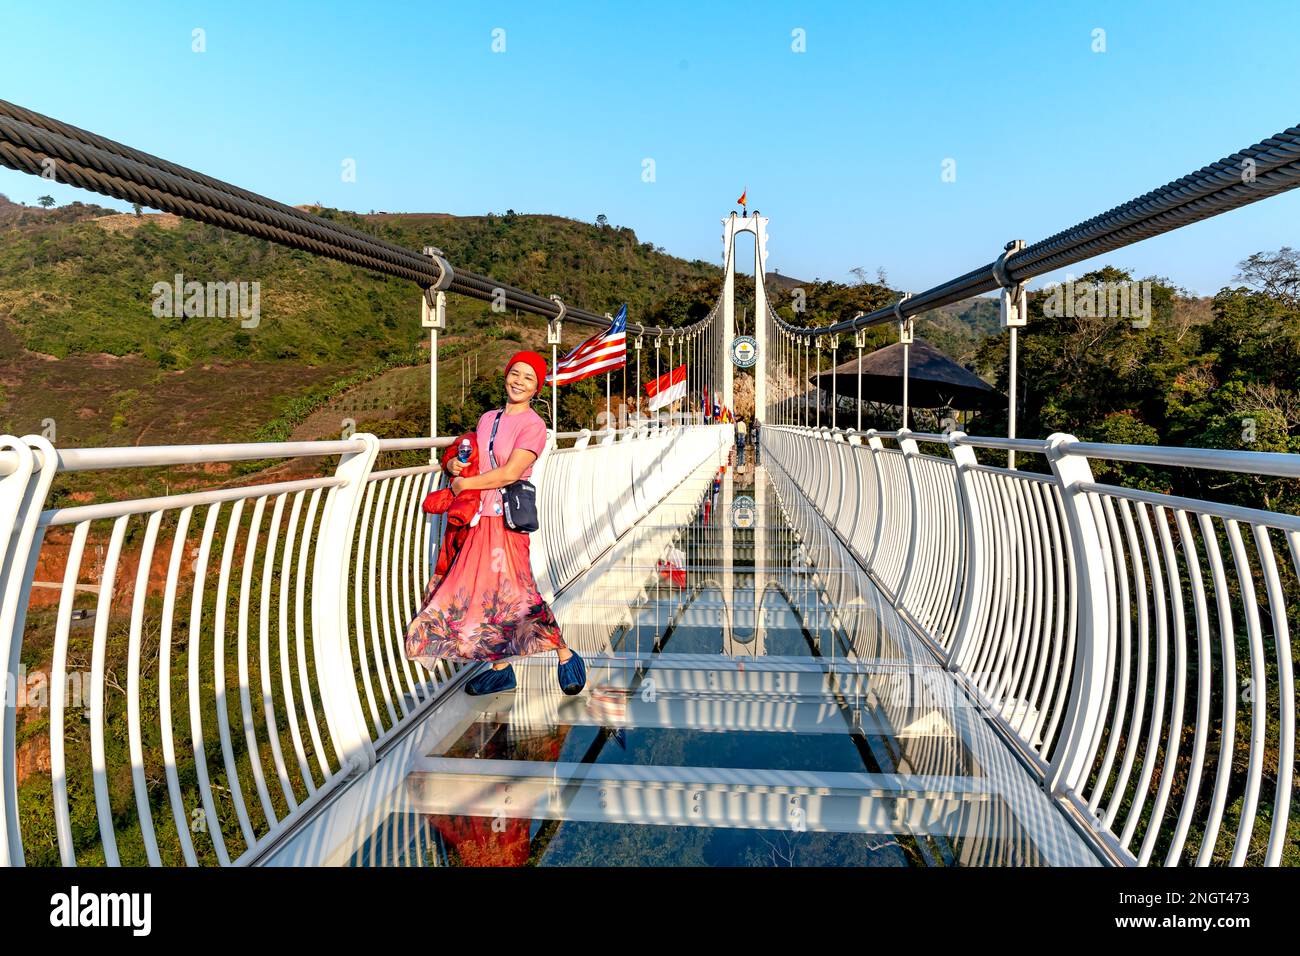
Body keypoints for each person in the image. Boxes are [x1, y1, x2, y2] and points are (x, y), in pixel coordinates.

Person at [404, 350, 586, 696]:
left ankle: (565, 654)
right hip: (477, 520)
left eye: (528, 378)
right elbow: (472, 457)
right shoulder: (488, 418)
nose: (519, 381)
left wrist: (463, 485)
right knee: (481, 594)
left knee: (519, 592)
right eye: (514, 373)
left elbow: (511, 472)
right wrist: (455, 468)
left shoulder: (534, 425)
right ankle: (500, 669)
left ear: (537, 388)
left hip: (507, 522)